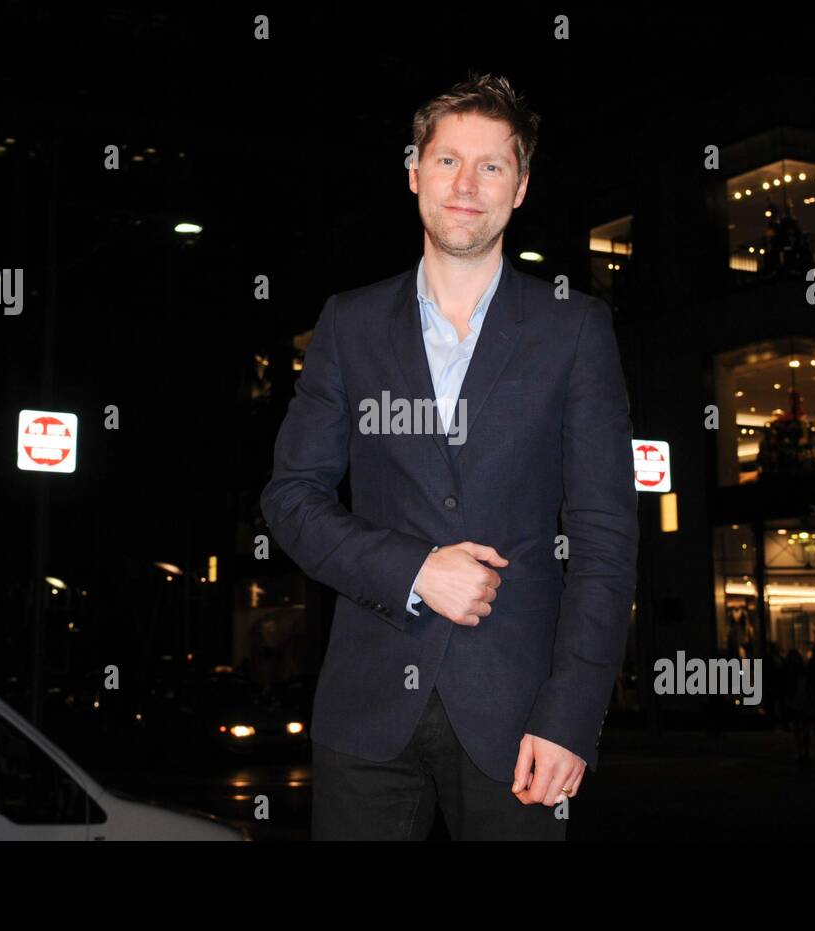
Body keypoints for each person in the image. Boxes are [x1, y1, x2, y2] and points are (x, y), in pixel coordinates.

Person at [260, 73, 638, 840]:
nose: (466, 185)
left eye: (492, 165)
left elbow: (605, 537)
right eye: (447, 161)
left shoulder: (575, 329)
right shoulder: (348, 324)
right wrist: (413, 569)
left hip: (523, 723)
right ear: (413, 172)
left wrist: (573, 713)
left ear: (521, 186)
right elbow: (291, 498)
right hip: (365, 714)